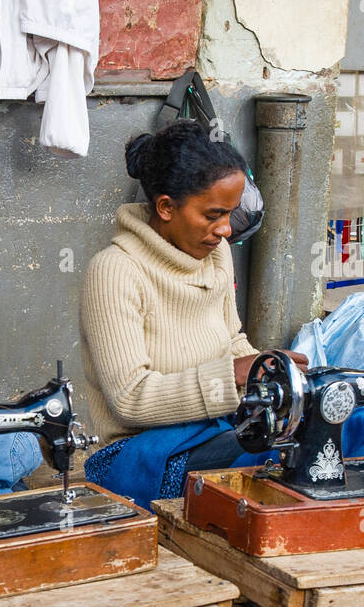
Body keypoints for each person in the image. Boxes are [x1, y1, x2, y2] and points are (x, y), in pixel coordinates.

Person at [79, 120, 308, 508]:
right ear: (166, 207)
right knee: (273, 462)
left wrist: (263, 371)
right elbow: (130, 401)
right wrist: (234, 374)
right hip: (139, 455)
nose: (224, 230)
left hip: (215, 429)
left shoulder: (214, 254)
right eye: (213, 215)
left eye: (231, 215)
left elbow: (231, 339)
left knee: (321, 433)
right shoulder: (114, 271)